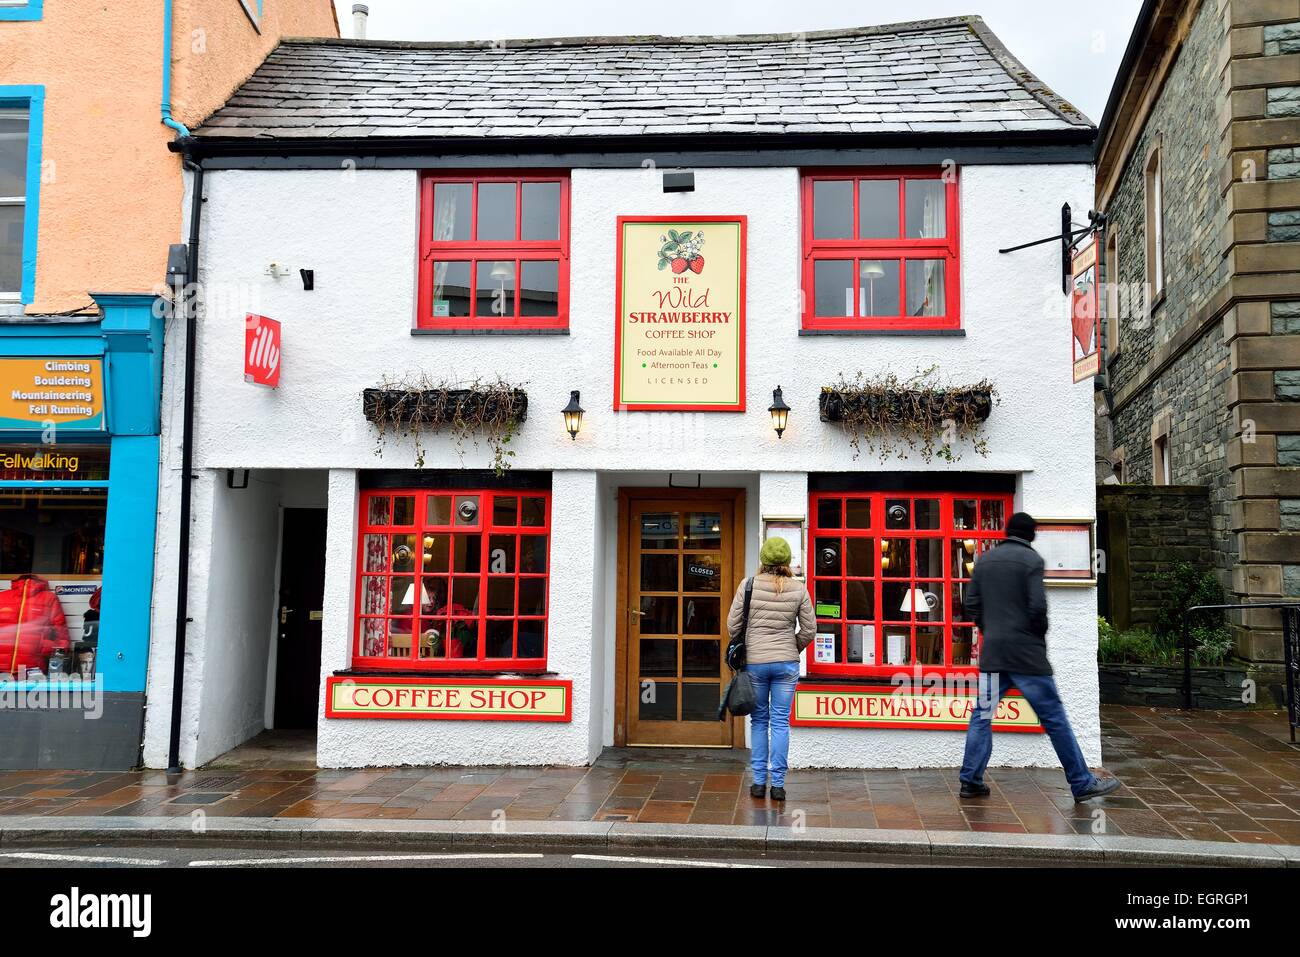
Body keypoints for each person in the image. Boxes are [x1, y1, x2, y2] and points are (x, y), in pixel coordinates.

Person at [959, 512, 1120, 803]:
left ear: (1007, 532)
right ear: (1031, 535)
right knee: (1055, 718)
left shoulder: (984, 561)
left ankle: (971, 781)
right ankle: (1082, 782)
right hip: (1027, 657)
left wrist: (990, 630)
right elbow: (1037, 608)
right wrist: (1036, 637)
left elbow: (971, 604)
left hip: (994, 655)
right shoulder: (1031, 561)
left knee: (981, 717)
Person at [727, 536, 815, 803]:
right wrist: (791, 647)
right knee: (780, 722)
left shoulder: (749, 585)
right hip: (786, 664)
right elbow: (810, 630)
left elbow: (733, 626)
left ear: (764, 560)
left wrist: (752, 646)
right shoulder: (798, 589)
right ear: (787, 562)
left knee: (759, 721)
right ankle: (778, 785)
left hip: (755, 662)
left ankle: (757, 783)